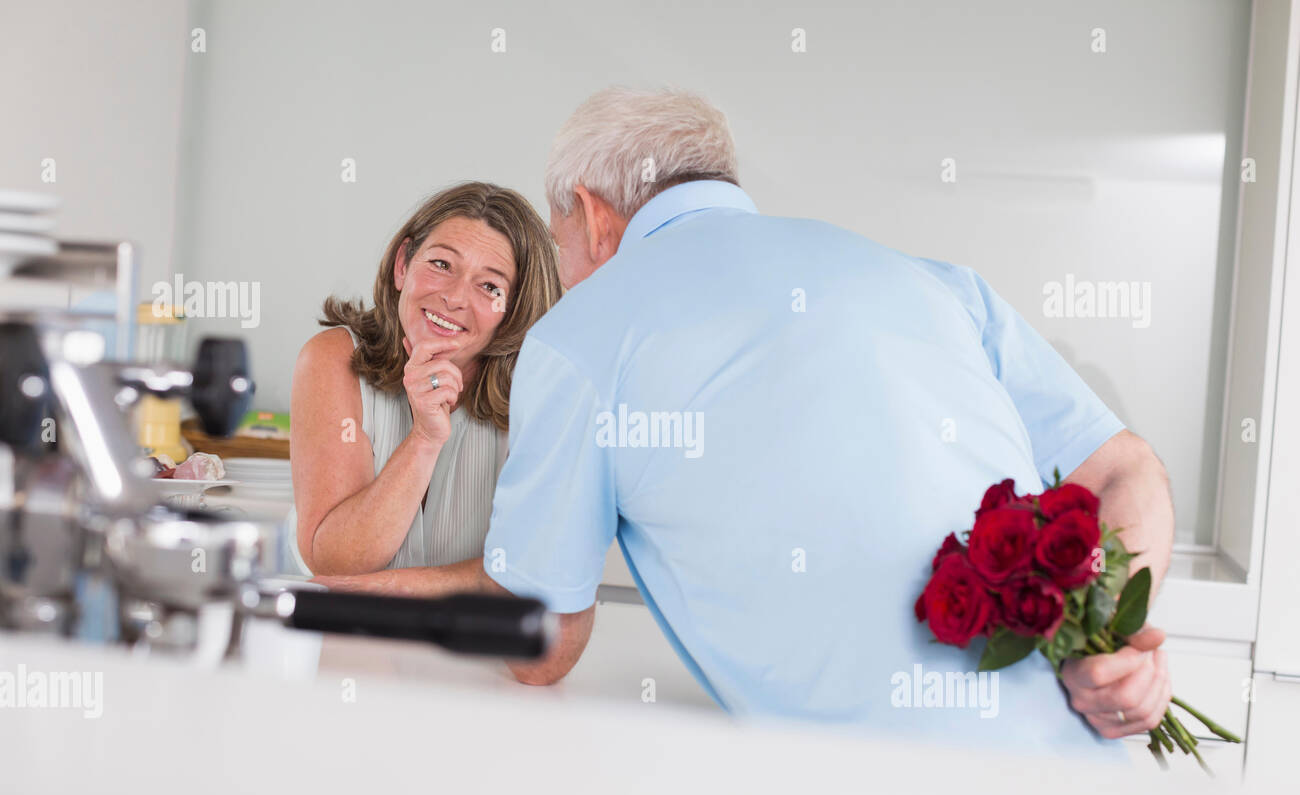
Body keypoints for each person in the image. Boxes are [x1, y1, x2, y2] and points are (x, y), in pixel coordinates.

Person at [317, 89, 1176, 760]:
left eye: (558, 233)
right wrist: (1120, 638)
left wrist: (338, 600)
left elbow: (540, 645)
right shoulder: (931, 280)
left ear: (593, 212)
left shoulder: (579, 338)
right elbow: (1126, 467)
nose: (563, 265)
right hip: (1089, 781)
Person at [288, 182, 562, 575]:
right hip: (343, 634)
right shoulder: (332, 359)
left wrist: (399, 591)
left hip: (472, 637)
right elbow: (335, 562)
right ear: (403, 264)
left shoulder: (540, 391)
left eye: (489, 286)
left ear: (514, 311)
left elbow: (531, 573)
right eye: (441, 265)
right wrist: (425, 439)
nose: (454, 298)